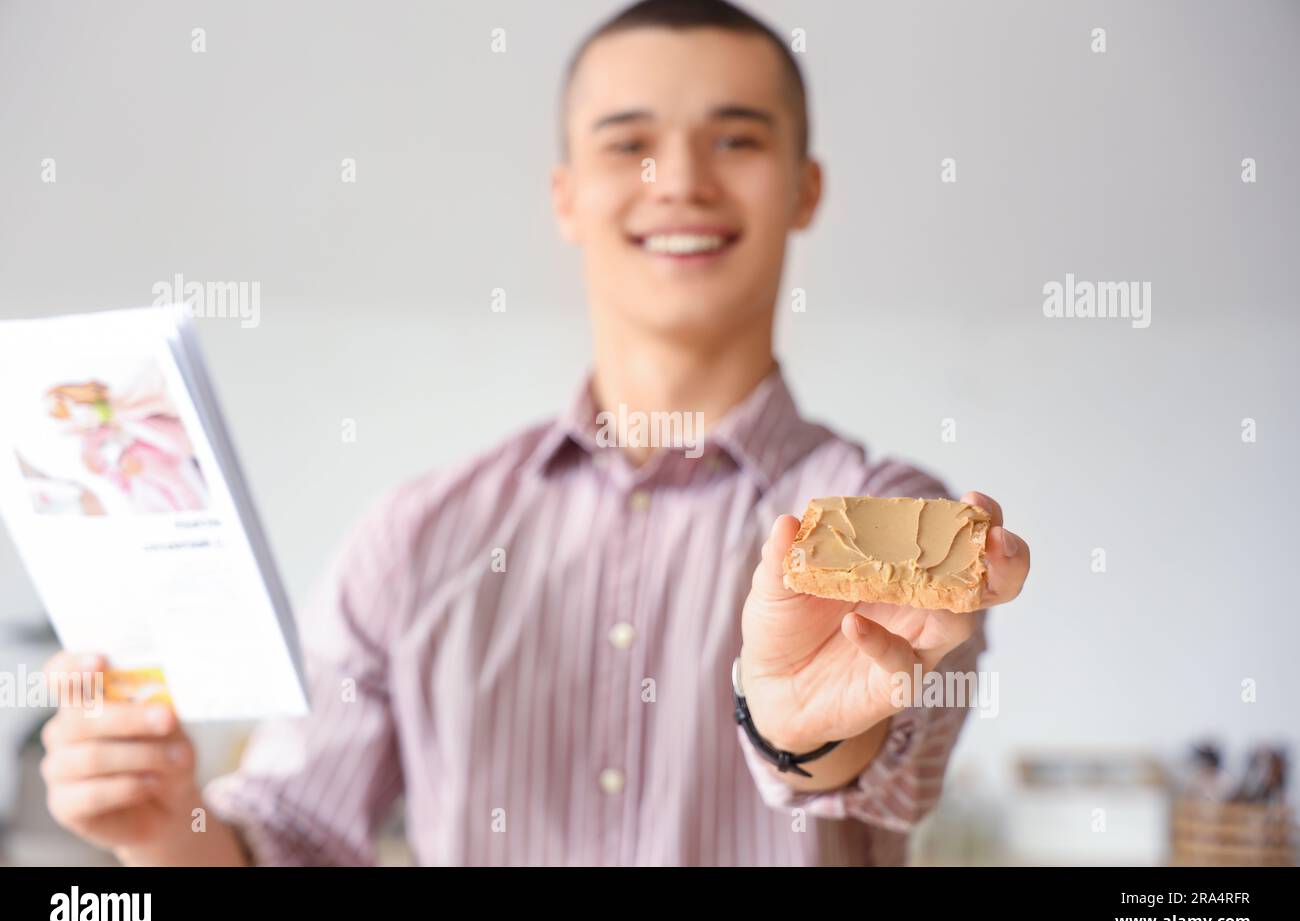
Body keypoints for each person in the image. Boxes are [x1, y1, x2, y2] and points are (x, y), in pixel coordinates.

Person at [39, 0, 1029, 866]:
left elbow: (891, 772)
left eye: (736, 139)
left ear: (804, 189)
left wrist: (793, 733)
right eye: (626, 141)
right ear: (565, 196)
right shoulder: (416, 535)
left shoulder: (896, 524)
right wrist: (165, 831)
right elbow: (288, 835)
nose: (678, 178)